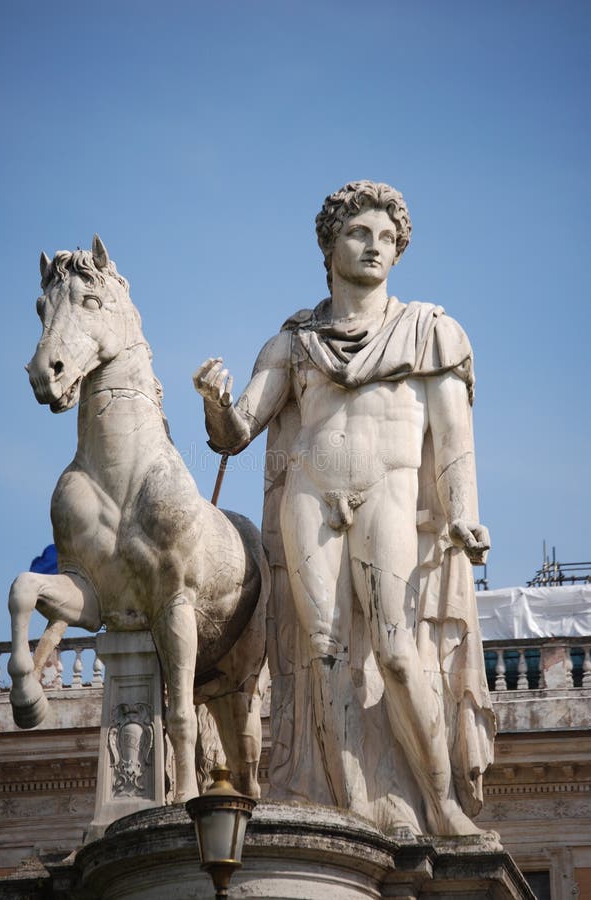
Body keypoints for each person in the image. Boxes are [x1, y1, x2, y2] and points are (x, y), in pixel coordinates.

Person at [194, 181, 495, 835]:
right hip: (308, 494)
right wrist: (214, 402)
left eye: (388, 238)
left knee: (396, 650)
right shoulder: (296, 342)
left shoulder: (431, 332)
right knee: (322, 655)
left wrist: (463, 512)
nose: (375, 247)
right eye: (360, 233)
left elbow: (453, 441)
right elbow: (236, 432)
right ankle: (353, 804)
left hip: (390, 491)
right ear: (330, 246)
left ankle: (440, 802)